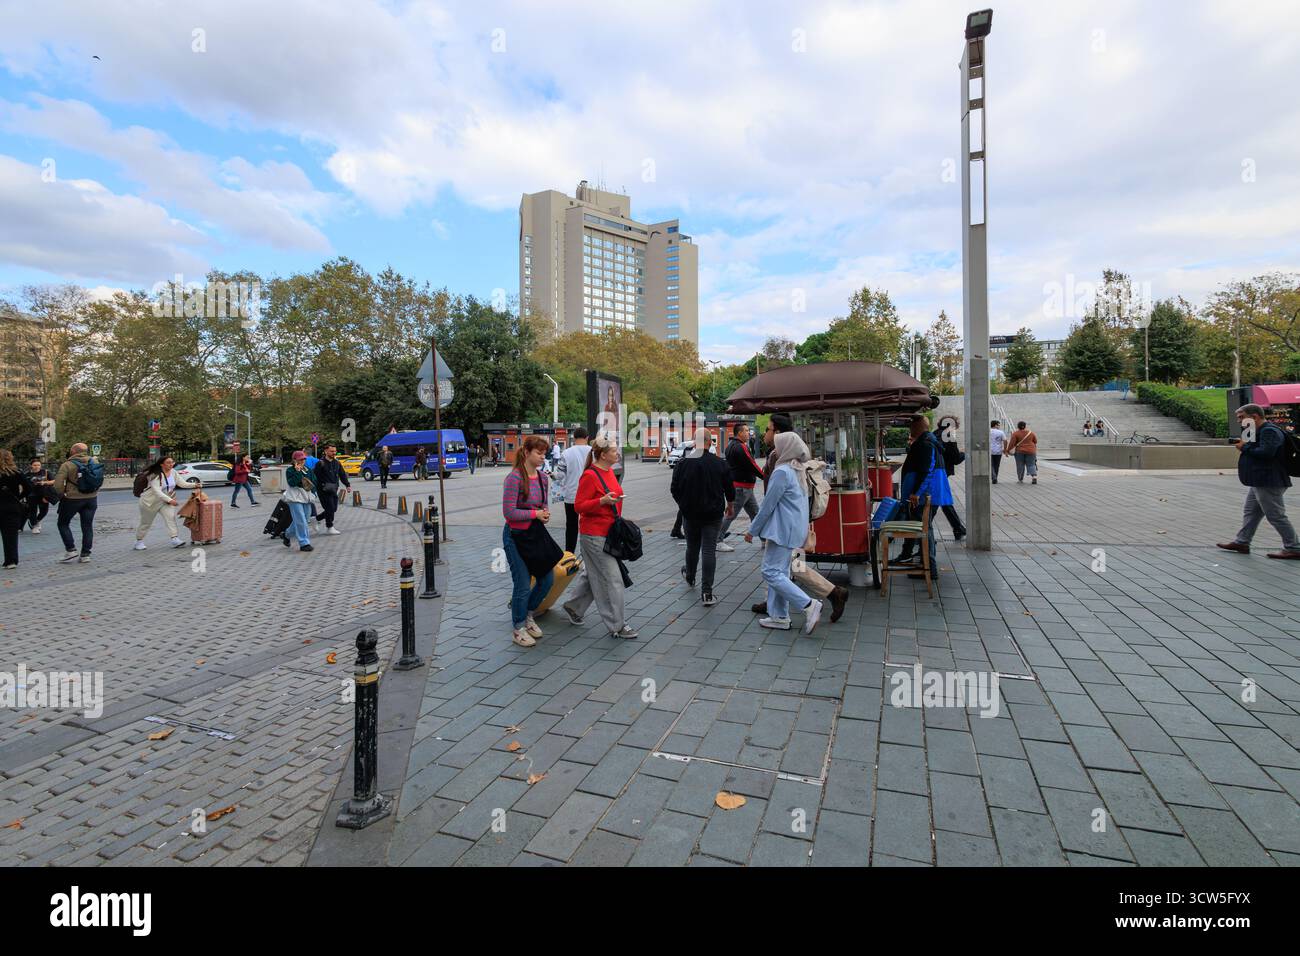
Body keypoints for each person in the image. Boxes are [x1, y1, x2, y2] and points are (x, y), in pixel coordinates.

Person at [751, 413, 849, 622]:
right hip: (791, 524)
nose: (766, 434)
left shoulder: (781, 461)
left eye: (768, 429)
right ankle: (778, 613)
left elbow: (771, 501)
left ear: (778, 432)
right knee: (786, 568)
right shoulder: (793, 460)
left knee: (782, 569)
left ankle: (816, 601)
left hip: (782, 524)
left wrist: (754, 529)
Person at [562, 435, 639, 640]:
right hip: (594, 535)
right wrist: (601, 501)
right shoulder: (590, 475)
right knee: (612, 579)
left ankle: (574, 607)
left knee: (593, 574)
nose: (618, 454)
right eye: (614, 451)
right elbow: (578, 506)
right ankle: (617, 625)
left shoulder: (609, 471)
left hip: (609, 532)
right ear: (603, 455)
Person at [746, 431, 823, 634]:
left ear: (786, 448)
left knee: (770, 572)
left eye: (779, 446)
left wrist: (752, 530)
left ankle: (808, 605)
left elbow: (768, 505)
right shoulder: (797, 470)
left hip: (782, 530)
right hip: (794, 529)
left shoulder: (782, 472)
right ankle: (779, 616)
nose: (776, 449)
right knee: (780, 573)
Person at [1217, 403, 1300, 559]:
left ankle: (1294, 547)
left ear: (1254, 416)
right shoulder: (1259, 430)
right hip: (1260, 479)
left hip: (1269, 480)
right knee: (1251, 513)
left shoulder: (1269, 431)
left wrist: (1244, 448)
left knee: (1275, 515)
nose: (1239, 421)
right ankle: (1242, 542)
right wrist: (1246, 443)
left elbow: (1267, 453)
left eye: (1241, 417)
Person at [501, 435, 555, 648]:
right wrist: (535, 515)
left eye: (544, 453)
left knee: (547, 579)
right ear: (526, 452)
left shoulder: (543, 478)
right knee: (523, 584)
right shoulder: (514, 478)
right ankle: (518, 627)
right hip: (515, 536)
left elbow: (542, 505)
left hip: (535, 536)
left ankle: (529, 615)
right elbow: (509, 512)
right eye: (538, 453)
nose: (543, 457)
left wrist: (545, 514)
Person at [671, 426, 735, 606]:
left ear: (694, 442)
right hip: (713, 514)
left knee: (692, 547)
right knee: (708, 550)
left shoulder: (683, 464)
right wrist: (729, 506)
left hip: (690, 514)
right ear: (709, 442)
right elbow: (729, 489)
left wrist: (683, 505)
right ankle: (707, 593)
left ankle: (690, 576)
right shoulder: (719, 463)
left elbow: (674, 489)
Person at [897, 414, 953, 579]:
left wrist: (916, 493)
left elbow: (926, 471)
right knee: (925, 528)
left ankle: (929, 569)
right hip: (931, 492)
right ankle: (925, 565)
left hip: (926, 493)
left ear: (919, 427)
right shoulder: (929, 441)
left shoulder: (925, 444)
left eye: (912, 426)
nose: (910, 429)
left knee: (924, 528)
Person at [133, 455, 199, 550]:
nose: (171, 464)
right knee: (146, 523)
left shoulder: (173, 472)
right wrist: (170, 500)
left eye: (172, 462)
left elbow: (182, 483)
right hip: (149, 502)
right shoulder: (155, 475)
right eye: (168, 463)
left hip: (165, 502)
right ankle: (138, 541)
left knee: (170, 518)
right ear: (161, 464)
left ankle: (174, 539)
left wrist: (194, 485)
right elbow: (157, 491)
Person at [717, 424, 764, 553]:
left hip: (743, 487)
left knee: (755, 514)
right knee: (730, 515)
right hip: (742, 488)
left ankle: (765, 539)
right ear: (739, 433)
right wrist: (765, 476)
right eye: (747, 431)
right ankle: (717, 540)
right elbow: (752, 464)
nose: (749, 433)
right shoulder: (741, 447)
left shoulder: (730, 446)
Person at [52, 442, 100, 564]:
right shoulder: (94, 462)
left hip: (72, 499)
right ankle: (85, 554)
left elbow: (58, 485)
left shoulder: (67, 465)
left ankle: (71, 549)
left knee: (63, 523)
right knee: (87, 526)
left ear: (73, 451)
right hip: (91, 499)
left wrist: (62, 494)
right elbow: (99, 479)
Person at [553, 427, 590, 555]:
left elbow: (560, 475)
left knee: (571, 526)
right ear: (587, 438)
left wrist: (552, 475)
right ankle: (587, 555)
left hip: (571, 496)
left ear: (574, 438)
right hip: (589, 496)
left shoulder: (566, 453)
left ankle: (569, 555)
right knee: (588, 525)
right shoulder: (593, 452)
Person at [933, 416, 967, 540]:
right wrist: (964, 453)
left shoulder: (935, 433)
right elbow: (955, 458)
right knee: (937, 502)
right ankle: (919, 533)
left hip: (935, 471)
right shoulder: (949, 436)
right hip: (941, 471)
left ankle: (958, 528)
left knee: (943, 500)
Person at [0, 450, 33, 569]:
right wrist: (19, 496)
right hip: (11, 506)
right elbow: (29, 487)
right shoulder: (16, 472)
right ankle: (11, 561)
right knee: (11, 535)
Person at [314, 444, 351, 535]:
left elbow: (342, 474)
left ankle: (316, 519)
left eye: (335, 451)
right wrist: (313, 489)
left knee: (333, 508)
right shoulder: (320, 463)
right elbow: (314, 477)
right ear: (326, 451)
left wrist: (347, 485)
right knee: (329, 508)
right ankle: (329, 527)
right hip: (322, 490)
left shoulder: (337, 463)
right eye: (331, 451)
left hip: (333, 489)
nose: (334, 453)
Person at [284, 451, 317, 552]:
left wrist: (314, 493)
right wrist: (298, 472)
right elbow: (292, 483)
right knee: (301, 520)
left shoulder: (308, 470)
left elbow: (314, 482)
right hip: (295, 498)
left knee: (303, 520)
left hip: (306, 498)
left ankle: (286, 534)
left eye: (304, 459)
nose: (303, 461)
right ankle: (304, 543)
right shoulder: (290, 470)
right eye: (300, 459)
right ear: (295, 460)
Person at [24, 458, 53, 534]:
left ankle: (37, 520)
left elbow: (53, 481)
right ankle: (34, 526)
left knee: (44, 511)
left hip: (44, 494)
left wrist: (44, 482)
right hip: (31, 495)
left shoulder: (46, 472)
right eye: (35, 465)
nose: (37, 466)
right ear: (31, 466)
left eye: (38, 465)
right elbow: (22, 485)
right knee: (32, 511)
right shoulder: (27, 474)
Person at [1007, 421, 1039, 485]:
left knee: (1020, 465)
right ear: (1025, 426)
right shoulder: (1031, 433)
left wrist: (1007, 450)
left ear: (1018, 426)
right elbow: (1035, 441)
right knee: (1031, 464)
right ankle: (1034, 477)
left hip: (1019, 452)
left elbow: (1012, 443)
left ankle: (1020, 479)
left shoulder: (1015, 434)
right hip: (1031, 451)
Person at [989, 420, 1008, 484]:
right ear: (995, 425)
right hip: (998, 451)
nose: (999, 426)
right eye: (998, 425)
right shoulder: (1000, 432)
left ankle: (994, 477)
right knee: (997, 465)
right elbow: (1005, 441)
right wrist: (1005, 449)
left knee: (991, 465)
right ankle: (995, 477)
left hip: (990, 451)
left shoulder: (987, 431)